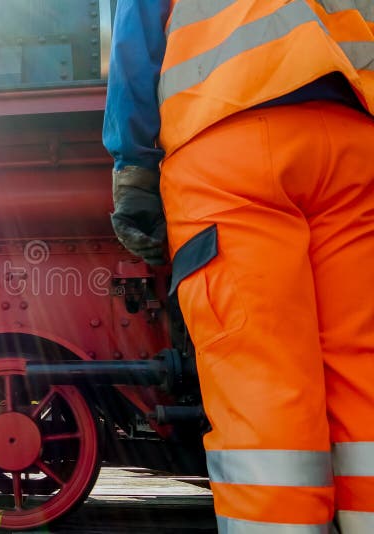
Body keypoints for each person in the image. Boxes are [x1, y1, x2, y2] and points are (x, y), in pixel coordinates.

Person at [104, 3, 374, 532]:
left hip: (226, 130)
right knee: (365, 374)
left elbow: (136, 29)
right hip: (354, 136)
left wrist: (133, 165)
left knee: (263, 395)